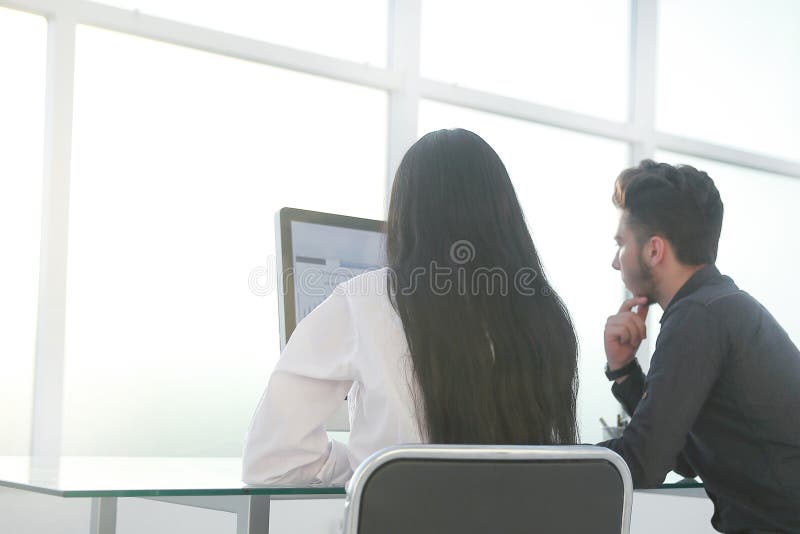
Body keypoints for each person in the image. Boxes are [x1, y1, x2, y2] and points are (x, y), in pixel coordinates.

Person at [242, 129, 579, 485]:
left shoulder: (365, 300)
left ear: (407, 213)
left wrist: (368, 471)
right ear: (505, 212)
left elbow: (272, 460)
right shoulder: (546, 318)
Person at [599, 160, 800, 532]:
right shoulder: (718, 305)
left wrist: (550, 460)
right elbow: (687, 456)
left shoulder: (698, 316)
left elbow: (643, 463)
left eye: (621, 243)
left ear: (654, 250)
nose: (615, 262)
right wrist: (626, 372)